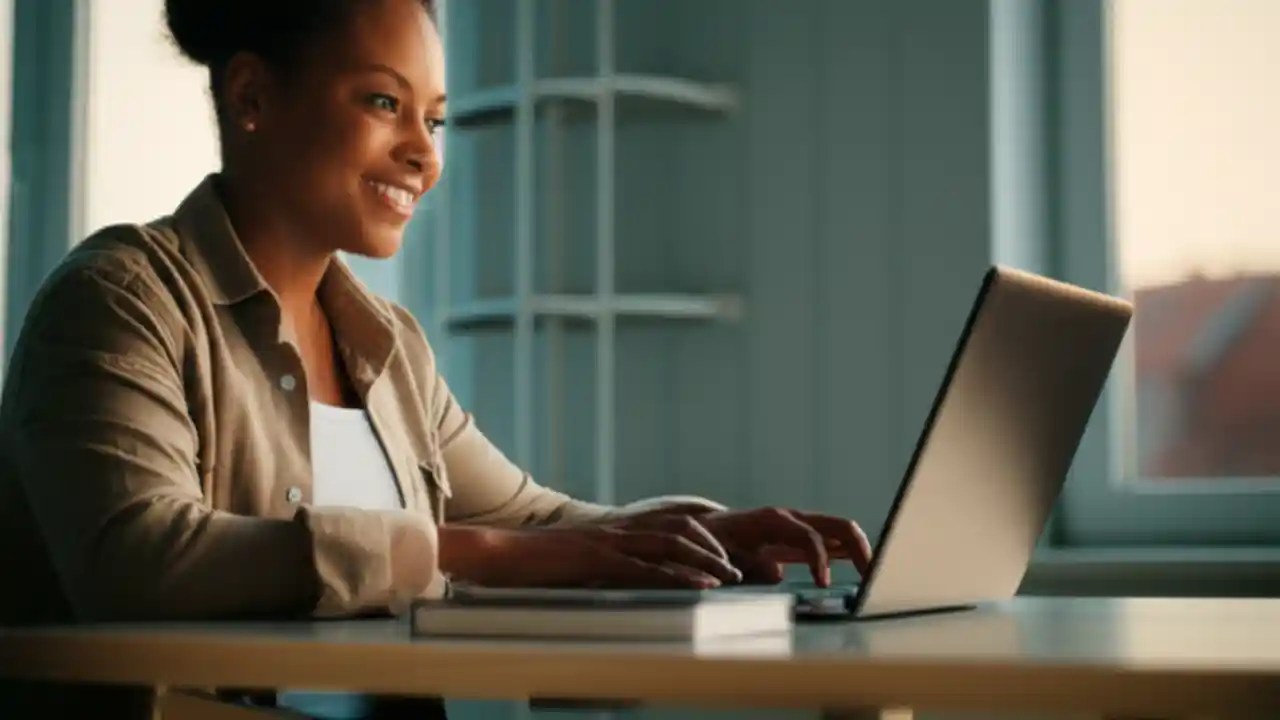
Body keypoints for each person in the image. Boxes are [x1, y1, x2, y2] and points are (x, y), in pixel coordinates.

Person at [0, 0, 871, 716]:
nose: (425, 151)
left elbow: (532, 524)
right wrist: (475, 555)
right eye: (384, 103)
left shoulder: (388, 345)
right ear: (253, 96)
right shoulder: (120, 303)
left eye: (436, 118)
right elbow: (142, 560)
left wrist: (699, 533)